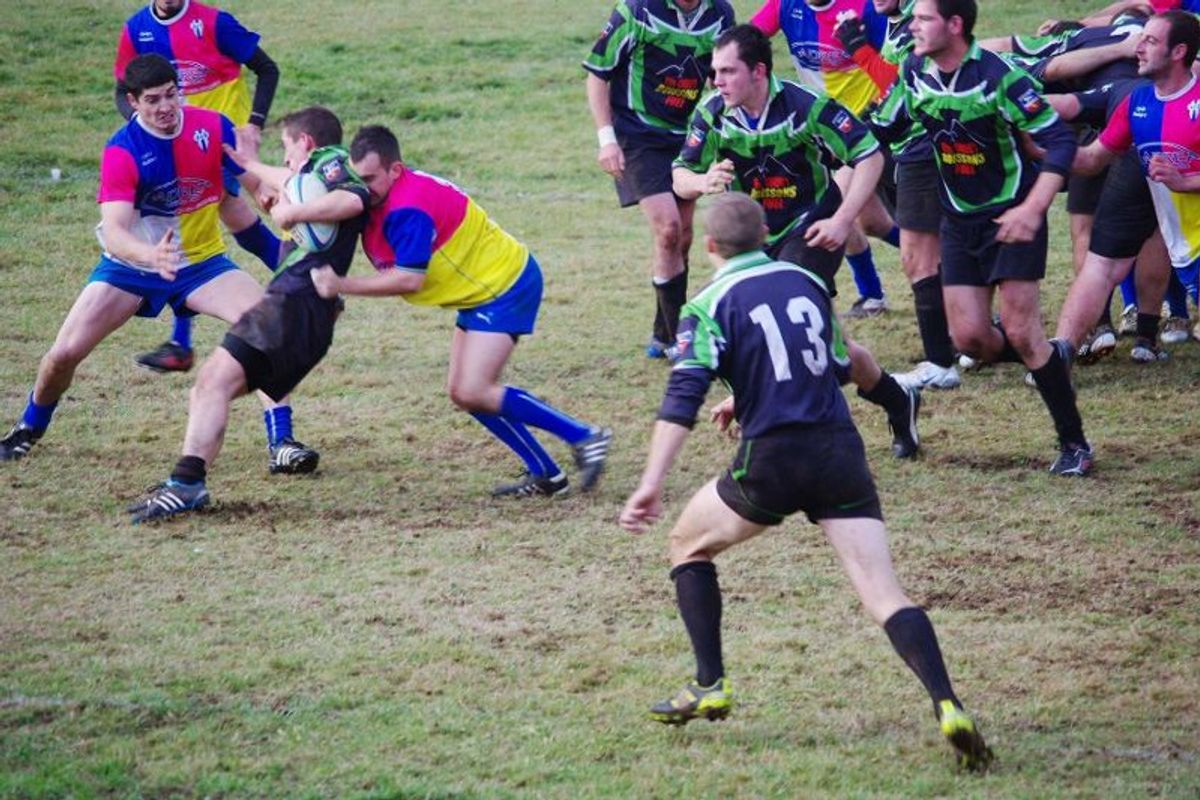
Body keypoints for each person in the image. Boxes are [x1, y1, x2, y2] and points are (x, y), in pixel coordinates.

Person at [618, 192, 992, 772]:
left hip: (772, 460)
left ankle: (709, 682)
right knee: (884, 594)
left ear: (711, 246)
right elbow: (835, 362)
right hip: (839, 453)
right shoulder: (805, 280)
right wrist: (745, 394)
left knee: (687, 545)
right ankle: (949, 703)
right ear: (767, 233)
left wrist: (650, 482)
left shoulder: (707, 302)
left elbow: (679, 401)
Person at [0, 55, 314, 475]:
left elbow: (236, 204)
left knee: (267, 332)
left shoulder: (210, 128)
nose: (165, 107)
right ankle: (28, 427)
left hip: (202, 265)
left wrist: (282, 234)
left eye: (171, 95)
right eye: (153, 100)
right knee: (63, 354)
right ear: (133, 102)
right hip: (130, 268)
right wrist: (150, 255)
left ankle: (283, 443)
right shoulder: (123, 150)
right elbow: (113, 230)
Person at [307, 125, 612, 498]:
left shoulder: (407, 209)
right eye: (359, 178)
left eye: (372, 178)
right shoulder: (384, 197)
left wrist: (341, 285)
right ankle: (547, 474)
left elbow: (408, 281)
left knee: (475, 389)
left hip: (503, 285)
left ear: (396, 170)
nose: (364, 188)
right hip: (480, 288)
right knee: (462, 392)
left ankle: (584, 436)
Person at [674, 24, 922, 459]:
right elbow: (679, 176)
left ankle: (792, 426)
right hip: (753, 237)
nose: (717, 81)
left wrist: (844, 221)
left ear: (759, 72)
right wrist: (701, 180)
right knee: (809, 342)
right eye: (715, 71)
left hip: (811, 226)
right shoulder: (713, 112)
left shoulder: (807, 108)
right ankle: (897, 398)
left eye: (728, 71)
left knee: (793, 321)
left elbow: (869, 156)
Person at [874, 0, 1093, 476]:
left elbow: (1059, 140)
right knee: (970, 338)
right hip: (958, 222)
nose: (912, 26)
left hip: (1011, 217)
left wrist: (1032, 209)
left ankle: (1074, 442)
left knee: (1019, 330)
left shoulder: (1000, 77)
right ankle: (1049, 358)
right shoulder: (913, 72)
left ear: (955, 25)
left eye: (923, 18)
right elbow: (882, 127)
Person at [129, 106, 367, 522]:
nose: (286, 159)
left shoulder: (331, 162)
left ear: (306, 143)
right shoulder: (308, 177)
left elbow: (353, 197)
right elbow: (293, 182)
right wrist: (252, 167)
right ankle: (192, 480)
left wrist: (293, 213)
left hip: (291, 307)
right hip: (303, 311)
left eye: (287, 149)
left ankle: (186, 486)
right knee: (212, 388)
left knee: (210, 385)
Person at [114, 0, 282, 373]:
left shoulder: (214, 23)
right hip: (172, 143)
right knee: (231, 215)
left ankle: (181, 344)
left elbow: (267, 68)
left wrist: (253, 123)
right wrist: (144, 130)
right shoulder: (135, 28)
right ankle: (307, 279)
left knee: (196, 222)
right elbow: (121, 90)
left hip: (217, 140)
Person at [584, 0, 736, 361]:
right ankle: (678, 342)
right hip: (637, 134)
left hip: (687, 135)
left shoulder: (720, 14)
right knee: (667, 229)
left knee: (682, 236)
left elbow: (724, 76)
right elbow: (598, 73)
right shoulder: (636, 10)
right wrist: (606, 139)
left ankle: (662, 331)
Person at [1056, 12, 1200, 358]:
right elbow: (1093, 159)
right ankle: (1058, 356)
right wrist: (1041, 150)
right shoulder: (1137, 104)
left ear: (1178, 51)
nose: (1138, 48)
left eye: (1150, 41)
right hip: (1187, 243)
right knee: (1101, 263)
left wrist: (1187, 180)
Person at [750, 0, 902, 318]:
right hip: (824, 130)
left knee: (836, 204)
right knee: (871, 221)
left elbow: (897, 78)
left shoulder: (866, 8)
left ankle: (934, 261)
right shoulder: (785, 6)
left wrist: (859, 47)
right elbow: (747, 39)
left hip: (868, 124)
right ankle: (876, 292)